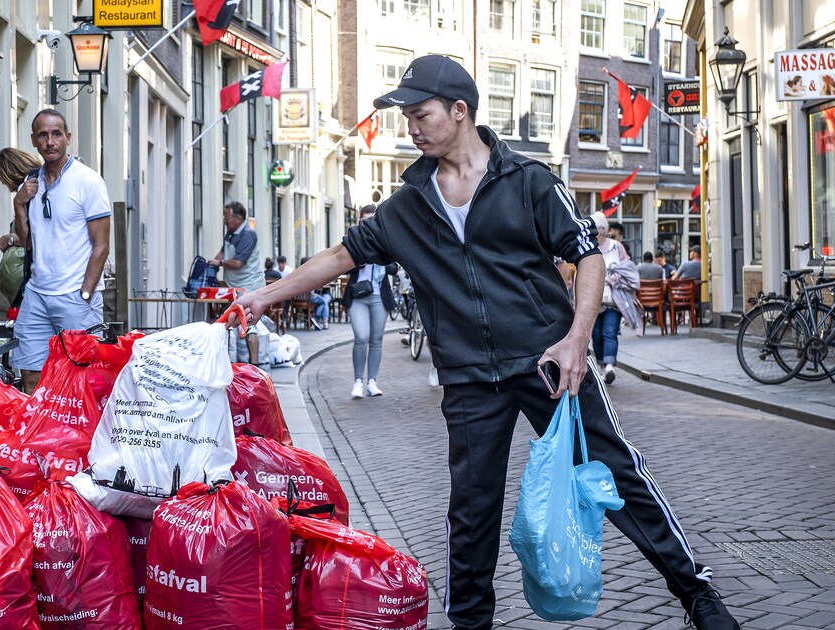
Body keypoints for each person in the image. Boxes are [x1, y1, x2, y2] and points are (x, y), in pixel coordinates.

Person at [229, 55, 739, 630]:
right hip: (469, 377)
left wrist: (576, 340)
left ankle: (698, 595)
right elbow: (341, 256)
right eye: (406, 117)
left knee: (618, 471)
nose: (411, 128)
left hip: (550, 364)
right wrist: (264, 296)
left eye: (420, 115)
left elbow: (587, 256)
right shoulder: (407, 207)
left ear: (459, 111)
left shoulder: (529, 181)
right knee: (470, 514)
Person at [10, 109, 111, 393]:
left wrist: (86, 294)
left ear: (68, 138)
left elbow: (101, 246)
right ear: (34, 140)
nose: (50, 141)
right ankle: (36, 436)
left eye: (56, 134)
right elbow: (27, 241)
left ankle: (82, 438)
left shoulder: (88, 181)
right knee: (31, 376)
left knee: (83, 380)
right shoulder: (30, 184)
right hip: (37, 295)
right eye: (43, 135)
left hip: (75, 296)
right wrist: (19, 204)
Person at [342, 205, 396, 398]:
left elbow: (394, 268)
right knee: (361, 337)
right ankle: (358, 382)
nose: (367, 225)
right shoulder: (352, 243)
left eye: (371, 220)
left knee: (376, 340)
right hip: (358, 296)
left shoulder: (385, 243)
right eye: (364, 221)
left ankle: (372, 381)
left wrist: (381, 261)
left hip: (378, 296)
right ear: (359, 222)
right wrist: (358, 260)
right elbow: (342, 268)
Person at [211, 201, 265, 363]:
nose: (225, 221)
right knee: (238, 322)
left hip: (249, 285)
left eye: (227, 218)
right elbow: (222, 252)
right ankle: (238, 361)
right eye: (224, 218)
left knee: (249, 324)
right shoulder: (231, 233)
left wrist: (219, 264)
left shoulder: (248, 234)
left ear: (239, 218)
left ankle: (255, 365)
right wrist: (213, 263)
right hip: (235, 286)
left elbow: (238, 262)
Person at [0, 148, 42, 309]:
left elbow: (37, 236)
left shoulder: (36, 192)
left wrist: (10, 239)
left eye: (4, 181)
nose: (8, 187)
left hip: (32, 287)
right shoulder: (25, 192)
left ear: (9, 173)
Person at [590, 212, 631, 384]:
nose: (593, 232)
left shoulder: (616, 246)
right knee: (596, 335)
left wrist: (614, 278)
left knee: (610, 332)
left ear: (602, 230)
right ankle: (601, 366)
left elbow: (627, 267)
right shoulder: (589, 248)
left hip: (613, 299)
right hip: (593, 300)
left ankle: (609, 366)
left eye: (596, 229)